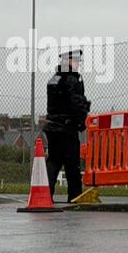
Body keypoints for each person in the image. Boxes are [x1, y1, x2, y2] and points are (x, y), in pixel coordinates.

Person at [44, 50, 90, 200]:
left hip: (52, 127)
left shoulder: (54, 79)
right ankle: (75, 197)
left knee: (54, 161)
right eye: (75, 61)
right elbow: (75, 103)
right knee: (72, 165)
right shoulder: (71, 79)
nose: (77, 64)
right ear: (67, 61)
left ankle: (45, 194)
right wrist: (83, 119)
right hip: (67, 127)